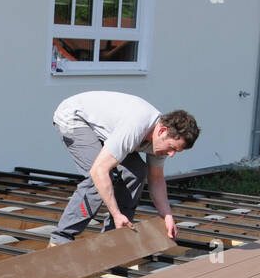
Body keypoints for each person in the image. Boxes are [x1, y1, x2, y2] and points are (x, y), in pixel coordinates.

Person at [48, 92, 199, 245]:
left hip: (108, 130)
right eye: (172, 148)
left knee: (137, 173)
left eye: (176, 151)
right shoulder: (136, 127)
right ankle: (60, 238)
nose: (171, 154)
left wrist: (167, 215)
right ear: (162, 131)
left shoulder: (162, 140)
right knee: (96, 180)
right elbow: (99, 171)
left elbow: (156, 179)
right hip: (74, 118)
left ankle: (115, 235)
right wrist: (116, 213)